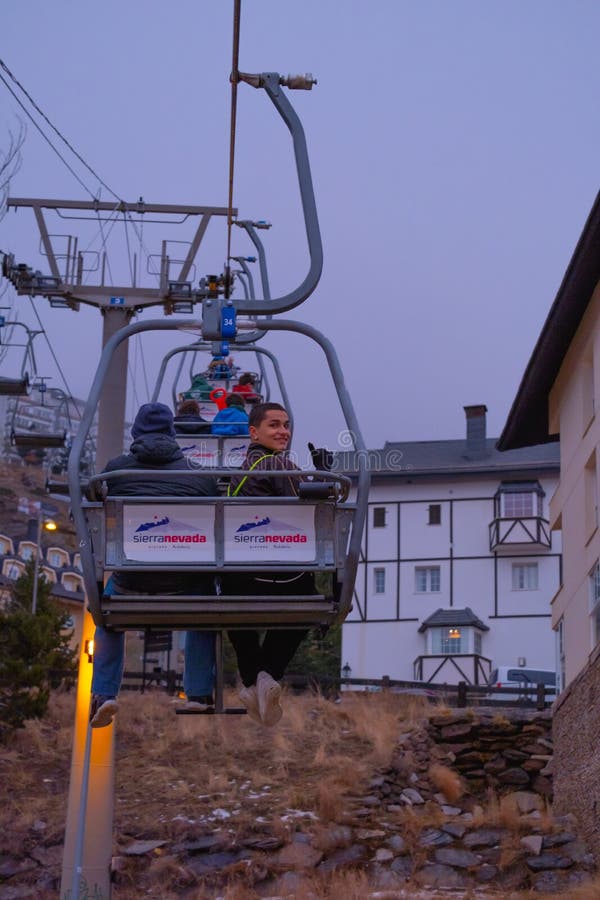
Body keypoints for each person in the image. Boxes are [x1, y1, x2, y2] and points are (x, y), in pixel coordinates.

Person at [89, 402, 219, 728]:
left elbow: (93, 497)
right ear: (172, 434)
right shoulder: (199, 478)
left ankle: (104, 693)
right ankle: (199, 692)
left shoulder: (117, 472)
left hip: (132, 578)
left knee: (105, 613)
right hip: (186, 582)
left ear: (136, 434)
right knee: (206, 614)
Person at [225, 402, 332, 727]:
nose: (283, 431)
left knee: (235, 614)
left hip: (239, 577)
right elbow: (308, 507)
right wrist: (322, 476)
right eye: (274, 425)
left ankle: (250, 683)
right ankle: (267, 675)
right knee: (305, 605)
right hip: (282, 574)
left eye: (286, 424)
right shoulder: (280, 466)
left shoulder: (236, 474)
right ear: (254, 432)